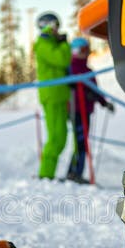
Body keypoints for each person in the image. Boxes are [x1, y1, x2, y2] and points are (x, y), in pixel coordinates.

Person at [67, 37, 113, 184]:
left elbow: (95, 90)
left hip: (86, 111)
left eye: (86, 50)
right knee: (80, 143)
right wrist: (83, 92)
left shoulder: (88, 70)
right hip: (76, 110)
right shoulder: (71, 68)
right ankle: (75, 174)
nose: (85, 53)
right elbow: (71, 85)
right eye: (82, 50)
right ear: (74, 51)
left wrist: (104, 102)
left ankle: (73, 173)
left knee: (82, 142)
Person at [33, 11, 71, 179]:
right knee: (56, 138)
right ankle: (45, 174)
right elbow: (62, 59)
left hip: (60, 96)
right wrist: (64, 44)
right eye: (55, 25)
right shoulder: (43, 44)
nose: (57, 29)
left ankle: (49, 174)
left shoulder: (52, 43)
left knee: (61, 138)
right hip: (52, 96)